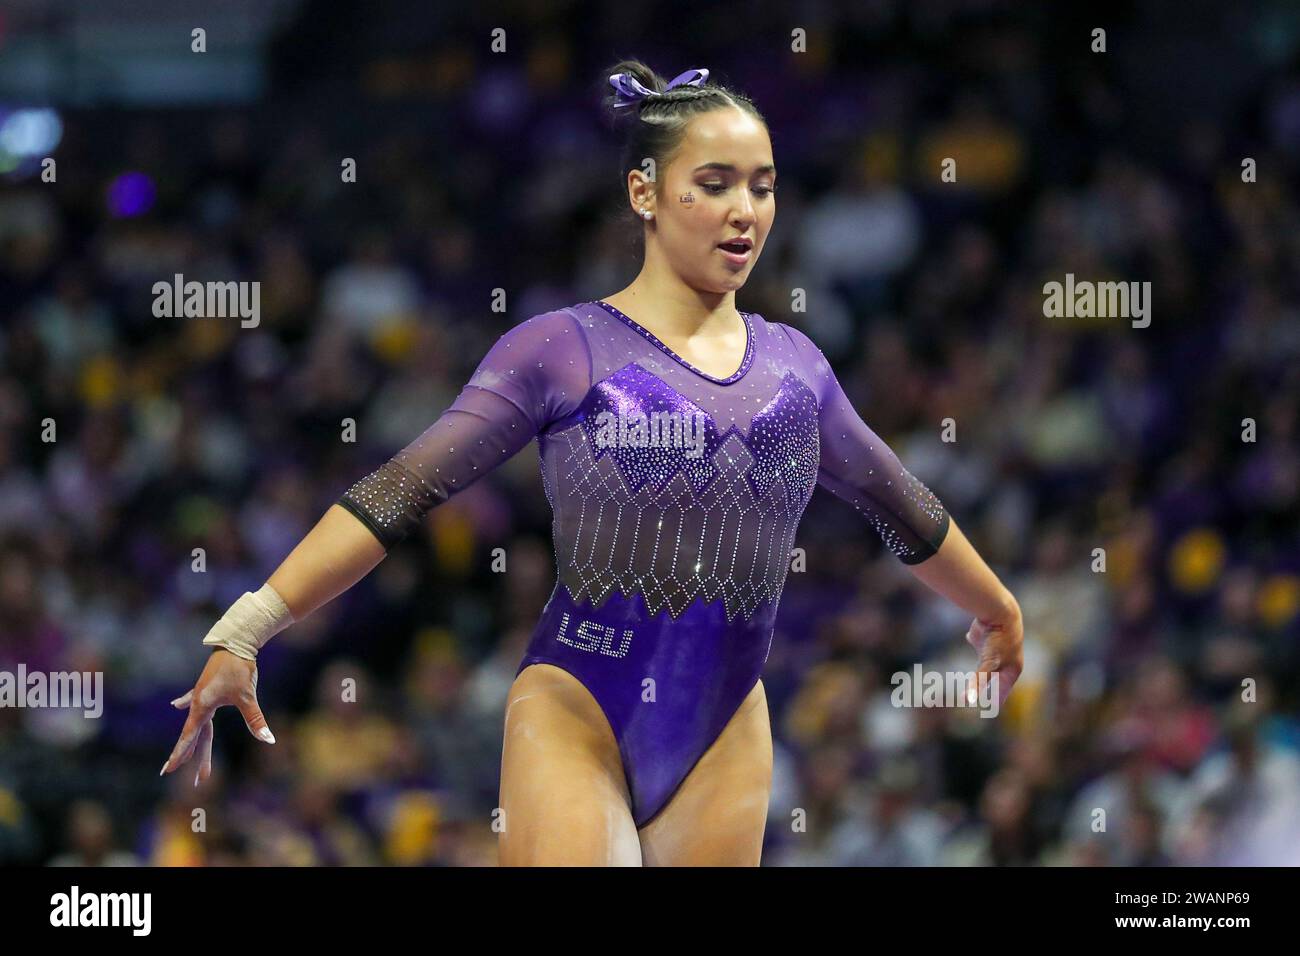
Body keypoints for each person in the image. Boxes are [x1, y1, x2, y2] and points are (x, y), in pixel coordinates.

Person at [162, 60, 1024, 866]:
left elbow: (900, 505)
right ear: (645, 191)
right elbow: (398, 492)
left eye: (762, 187)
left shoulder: (797, 366)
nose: (745, 212)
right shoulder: (562, 348)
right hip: (578, 706)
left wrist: (997, 608)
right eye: (714, 184)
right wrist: (248, 628)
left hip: (725, 722)